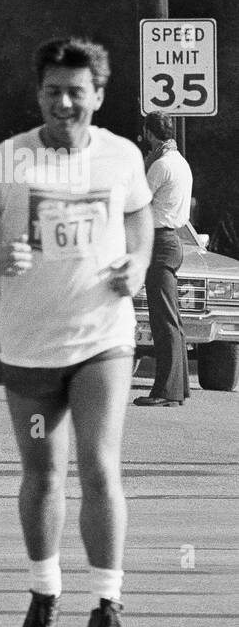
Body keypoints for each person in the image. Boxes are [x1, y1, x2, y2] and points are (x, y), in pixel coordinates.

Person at [0, 37, 151, 627]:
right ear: (39, 94)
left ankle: (108, 606)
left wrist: (138, 265)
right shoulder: (6, 161)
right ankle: (45, 593)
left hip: (103, 338)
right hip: (31, 345)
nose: (64, 103)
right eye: (52, 92)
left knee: (98, 464)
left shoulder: (120, 157)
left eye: (76, 91)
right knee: (43, 472)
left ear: (98, 94)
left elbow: (141, 219)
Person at [134, 111, 193, 407]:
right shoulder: (180, 162)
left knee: (163, 320)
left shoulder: (160, 165)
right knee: (172, 318)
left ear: (150, 133)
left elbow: (139, 201)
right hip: (173, 239)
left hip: (160, 242)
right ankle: (178, 389)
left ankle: (165, 391)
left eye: (146, 133)